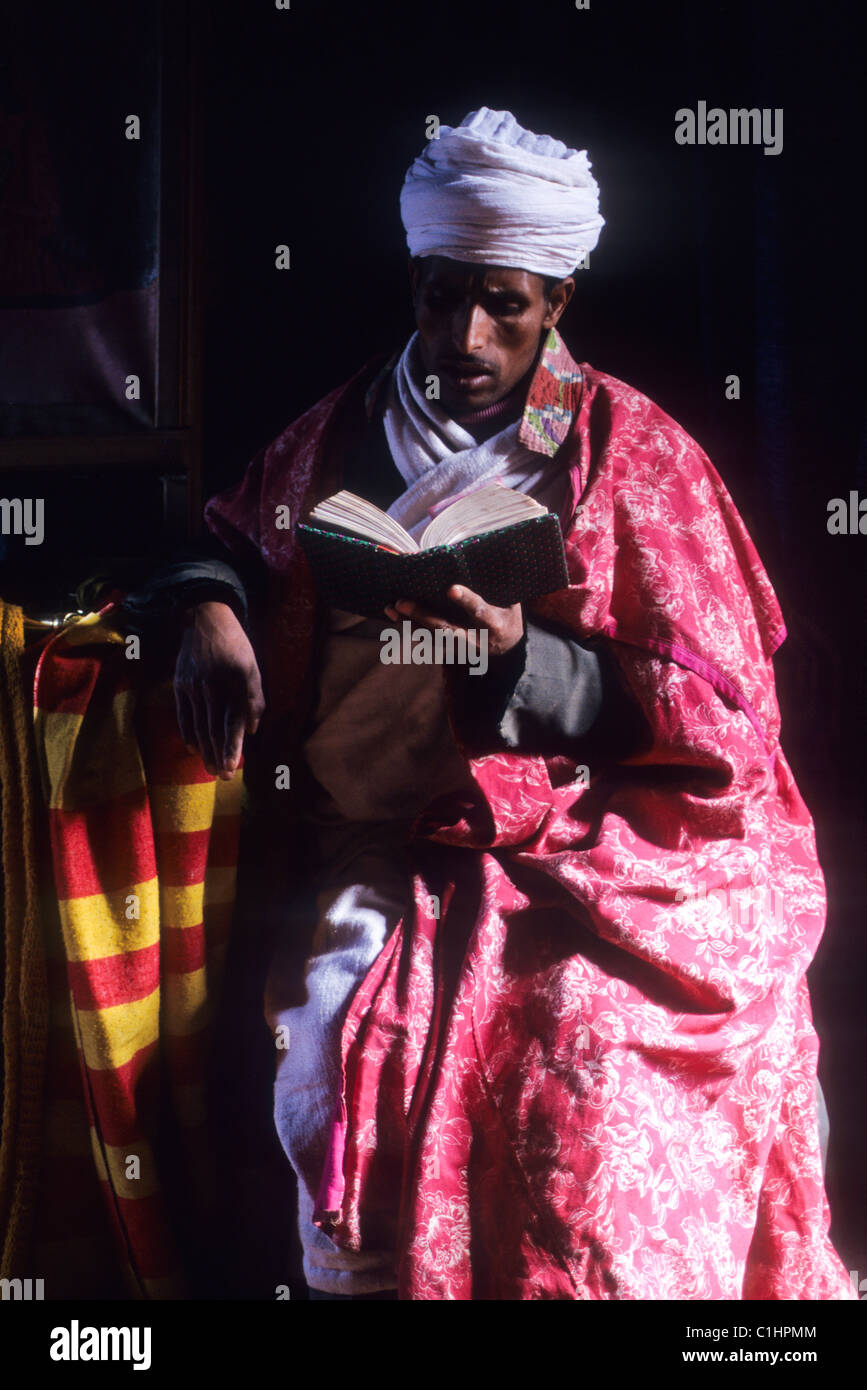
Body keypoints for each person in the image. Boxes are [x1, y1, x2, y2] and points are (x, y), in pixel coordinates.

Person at [123, 108, 852, 1301]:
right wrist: (207, 606)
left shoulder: (632, 452)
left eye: (503, 303)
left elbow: (720, 713)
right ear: (414, 280)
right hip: (385, 837)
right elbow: (220, 538)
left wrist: (528, 667)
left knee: (586, 1054)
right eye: (441, 296)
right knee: (339, 1042)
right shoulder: (342, 434)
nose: (465, 333)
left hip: (593, 837)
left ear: (556, 300)